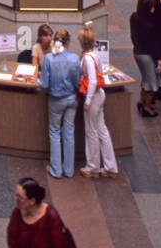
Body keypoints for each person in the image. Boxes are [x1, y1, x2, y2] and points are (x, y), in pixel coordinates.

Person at [39, 28, 80, 178]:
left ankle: (56, 170)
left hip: (56, 100)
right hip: (71, 98)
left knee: (55, 132)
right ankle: (69, 170)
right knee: (69, 132)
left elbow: (44, 84)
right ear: (68, 42)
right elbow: (77, 82)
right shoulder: (75, 59)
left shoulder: (49, 58)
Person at [78, 26, 118, 178]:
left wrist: (87, 101)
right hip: (100, 95)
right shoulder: (96, 54)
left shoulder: (87, 58)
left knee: (91, 132)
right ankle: (110, 167)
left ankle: (92, 167)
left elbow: (93, 81)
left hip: (93, 97)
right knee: (102, 130)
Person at [130, 0, 161, 118]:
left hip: (137, 52)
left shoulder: (134, 18)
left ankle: (142, 101)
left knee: (146, 78)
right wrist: (158, 61)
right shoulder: (149, 25)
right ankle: (147, 107)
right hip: (147, 55)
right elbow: (153, 44)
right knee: (150, 83)